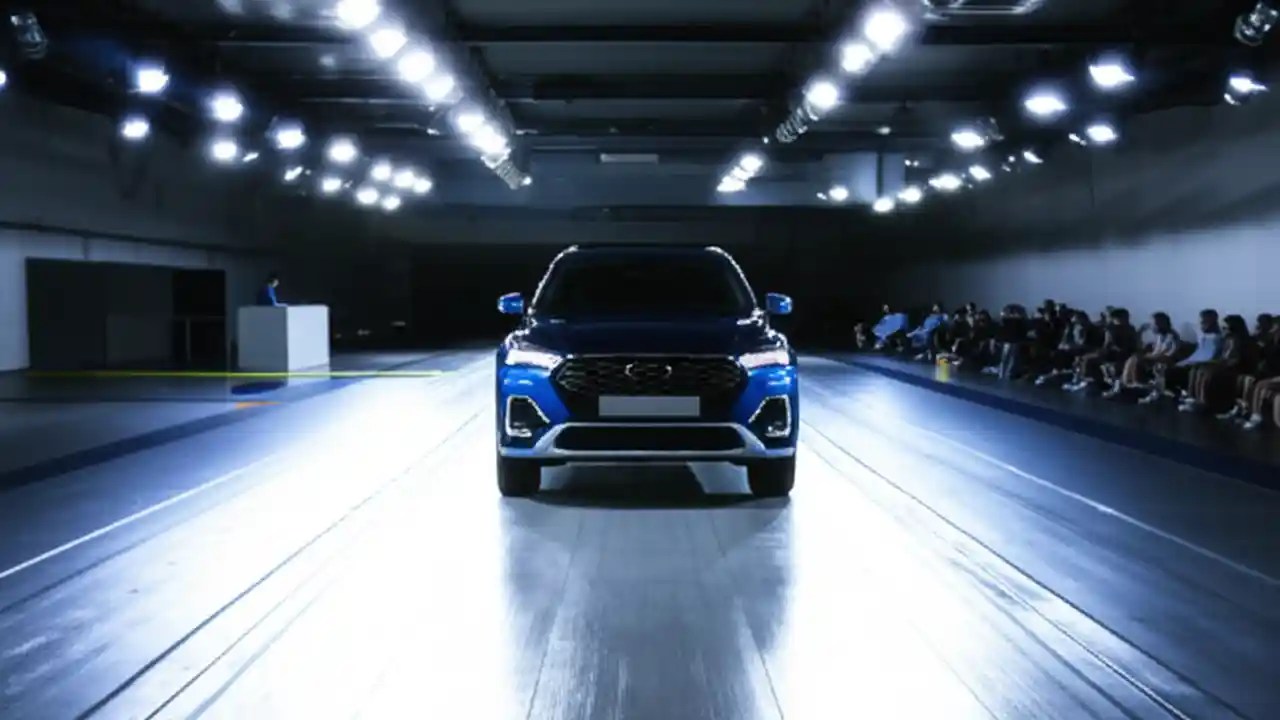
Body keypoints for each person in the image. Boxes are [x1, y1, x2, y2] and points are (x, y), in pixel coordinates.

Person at [1143, 309, 1222, 404]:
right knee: (1168, 369)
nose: (1201, 325)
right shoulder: (1204, 337)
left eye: (1203, 323)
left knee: (1171, 370)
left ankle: (1183, 396)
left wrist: (1188, 362)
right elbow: (1197, 354)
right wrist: (1185, 362)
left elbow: (1208, 356)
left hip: (1202, 365)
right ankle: (1162, 392)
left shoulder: (1217, 339)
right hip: (1193, 362)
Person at [1180, 314, 1255, 413]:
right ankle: (1194, 397)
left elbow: (1235, 360)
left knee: (1209, 374)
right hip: (1226, 365)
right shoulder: (1228, 340)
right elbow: (1223, 357)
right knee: (1197, 369)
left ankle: (1205, 402)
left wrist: (1218, 363)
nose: (1222, 329)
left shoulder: (1242, 341)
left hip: (1237, 367)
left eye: (1225, 328)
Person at [1105, 311, 1181, 399]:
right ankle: (1124, 384)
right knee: (1133, 357)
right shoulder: (1160, 334)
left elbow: (1170, 353)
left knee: (1137, 358)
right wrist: (1141, 331)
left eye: (1155, 324)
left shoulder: (1171, 336)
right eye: (1153, 324)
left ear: (1164, 323)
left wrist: (1151, 356)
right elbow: (1146, 342)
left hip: (1165, 359)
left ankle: (1134, 383)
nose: (1153, 326)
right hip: (1156, 356)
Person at [1065, 307, 1139, 392]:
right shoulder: (1127, 328)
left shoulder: (1114, 329)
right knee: (1086, 357)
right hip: (1121, 353)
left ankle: (1090, 382)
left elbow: (1109, 344)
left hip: (1118, 354)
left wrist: (1101, 351)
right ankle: (1089, 380)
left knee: (1088, 359)